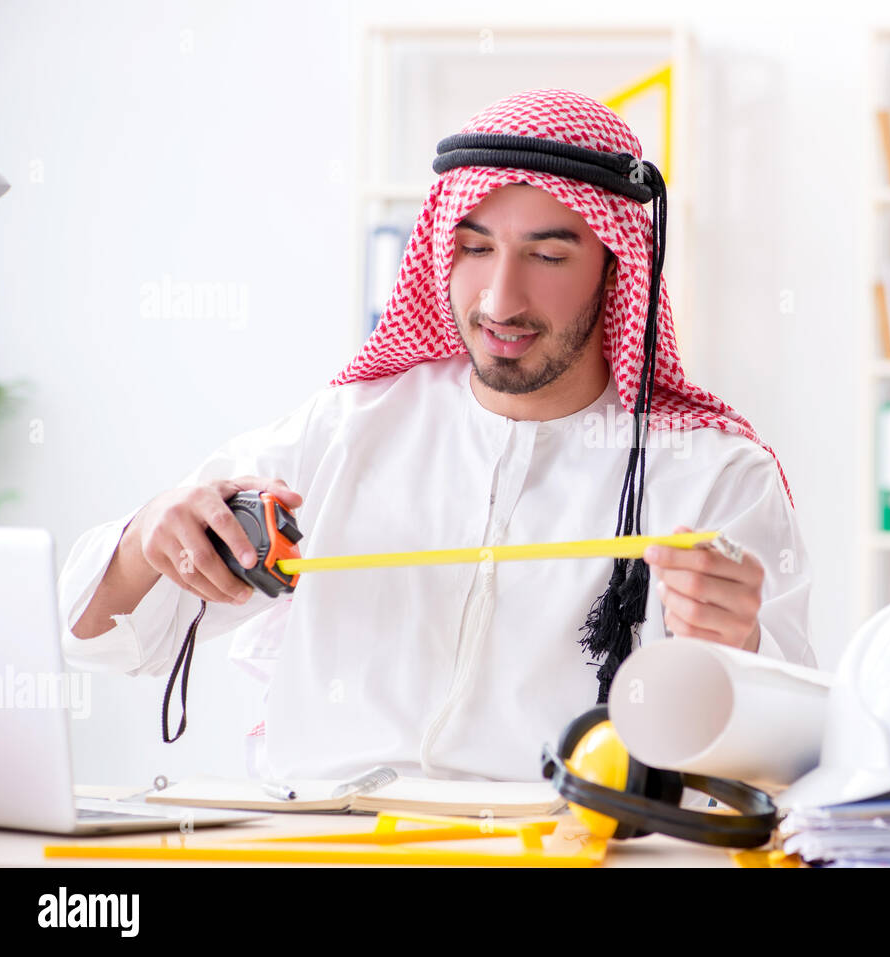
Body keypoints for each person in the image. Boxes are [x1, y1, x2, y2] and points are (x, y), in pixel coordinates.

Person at [58, 89, 816, 782]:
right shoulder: (347, 429)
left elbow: (792, 759)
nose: (499, 298)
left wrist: (737, 650)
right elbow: (97, 638)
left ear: (619, 269)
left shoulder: (715, 477)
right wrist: (149, 533)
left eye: (548, 256)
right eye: (474, 249)